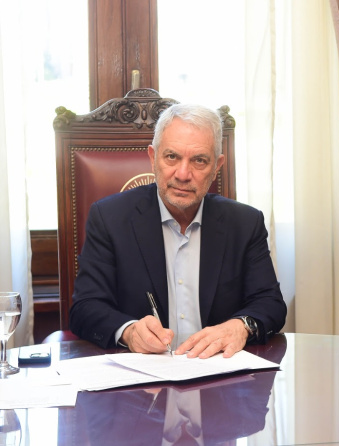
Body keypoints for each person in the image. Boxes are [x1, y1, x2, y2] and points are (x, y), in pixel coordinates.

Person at [69, 103, 286, 359]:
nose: (183, 174)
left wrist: (240, 327)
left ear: (217, 166)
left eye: (199, 161)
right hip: (142, 382)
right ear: (153, 157)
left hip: (219, 375)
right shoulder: (109, 218)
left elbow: (270, 304)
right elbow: (85, 307)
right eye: (172, 157)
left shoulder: (245, 223)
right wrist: (129, 332)